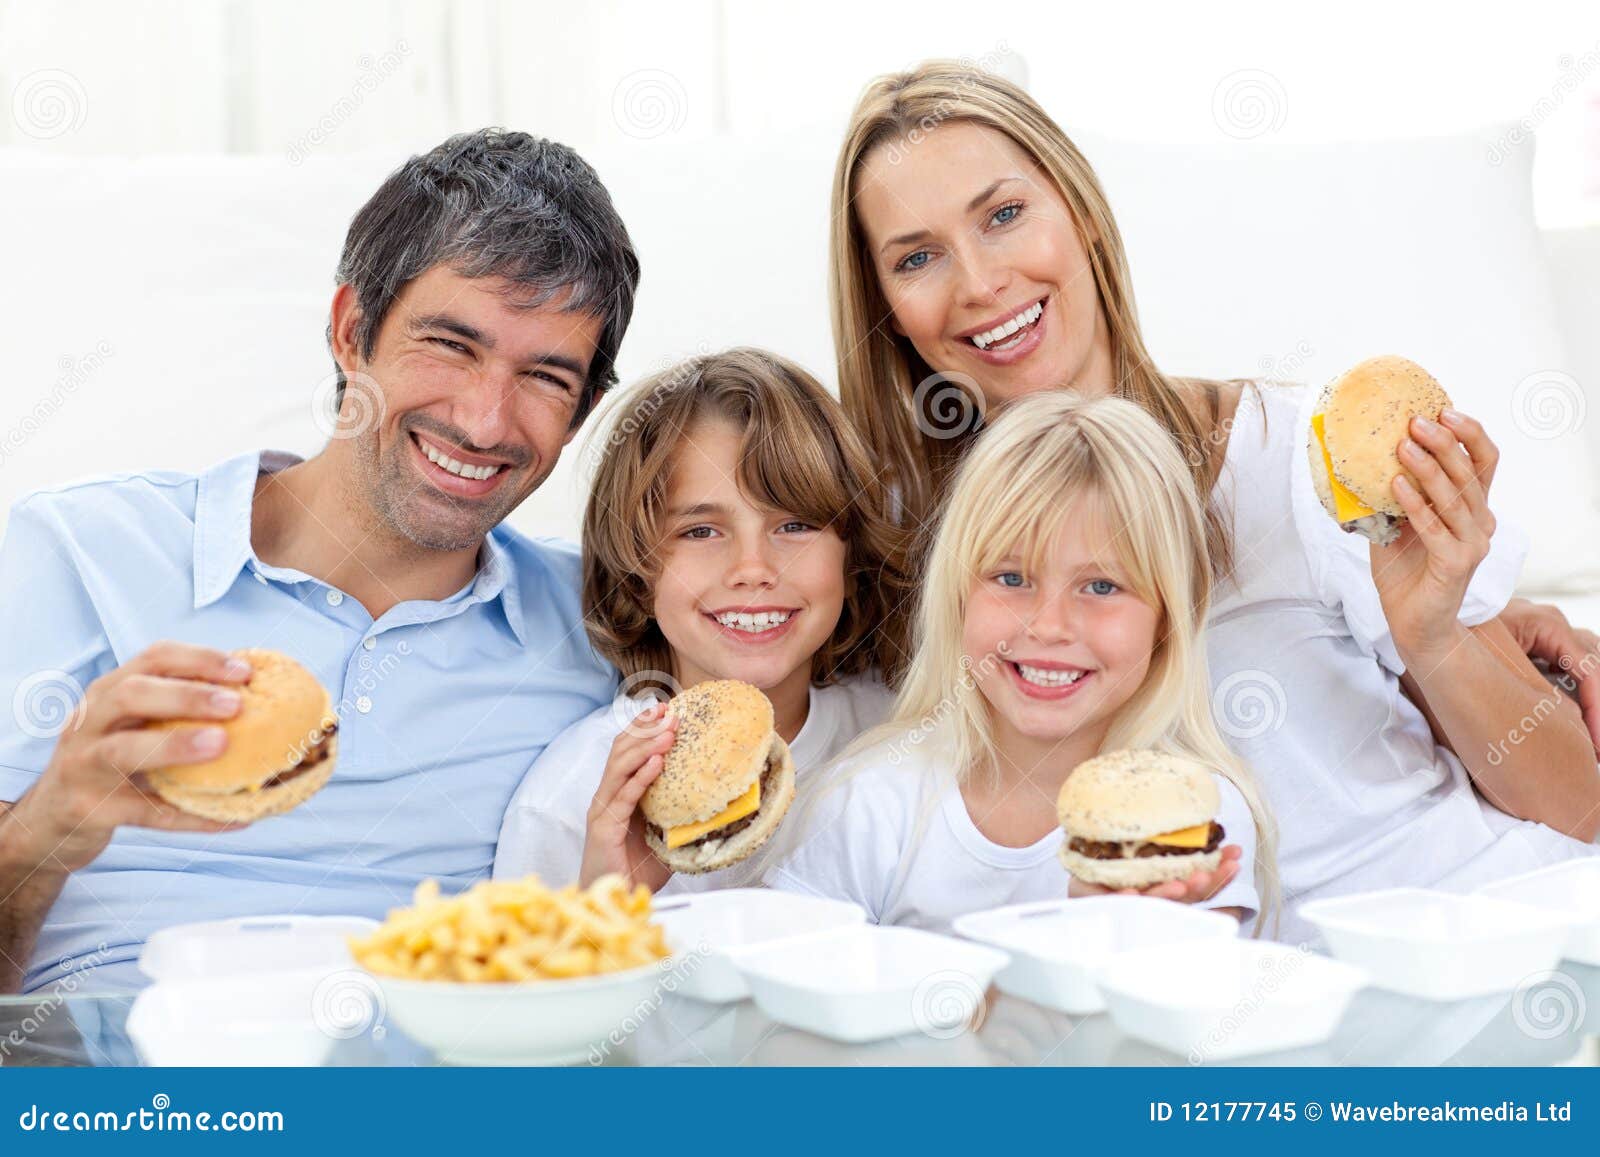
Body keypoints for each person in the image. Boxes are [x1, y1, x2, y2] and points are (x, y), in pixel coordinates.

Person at [826, 62, 1600, 941]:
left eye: (1004, 215)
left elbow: (1578, 810)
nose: (978, 281)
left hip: (1468, 941)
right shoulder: (897, 541)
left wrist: (1441, 637)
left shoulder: (1294, 458)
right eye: (917, 257)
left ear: (1079, 212)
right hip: (1209, 1023)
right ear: (884, 306)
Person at [0, 129, 639, 993]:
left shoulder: (604, 622)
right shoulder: (75, 552)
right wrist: (42, 827)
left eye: (545, 378)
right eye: (451, 345)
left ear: (583, 411)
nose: (485, 421)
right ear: (350, 331)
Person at [765, 392, 1274, 930]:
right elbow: (790, 994)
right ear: (957, 597)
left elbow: (1185, 1008)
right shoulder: (868, 801)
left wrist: (1121, 933)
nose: (1049, 626)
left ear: (1166, 619)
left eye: (1101, 585)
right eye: (1012, 579)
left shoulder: (1193, 815)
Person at [494, 348, 910, 893]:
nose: (753, 569)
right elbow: (520, 976)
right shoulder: (569, 800)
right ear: (637, 574)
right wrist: (609, 910)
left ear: (851, 560)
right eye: (700, 532)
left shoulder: (898, 739)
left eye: (795, 525)